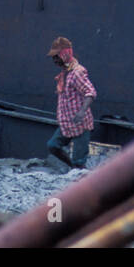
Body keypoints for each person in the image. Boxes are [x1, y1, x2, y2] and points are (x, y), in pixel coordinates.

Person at [46, 36, 96, 169]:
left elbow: (90, 92)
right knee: (53, 145)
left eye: (56, 56)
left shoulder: (77, 73)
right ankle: (72, 168)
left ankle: (78, 174)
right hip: (67, 124)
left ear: (65, 54)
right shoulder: (65, 73)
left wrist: (82, 112)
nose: (54, 60)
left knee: (79, 161)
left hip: (80, 124)